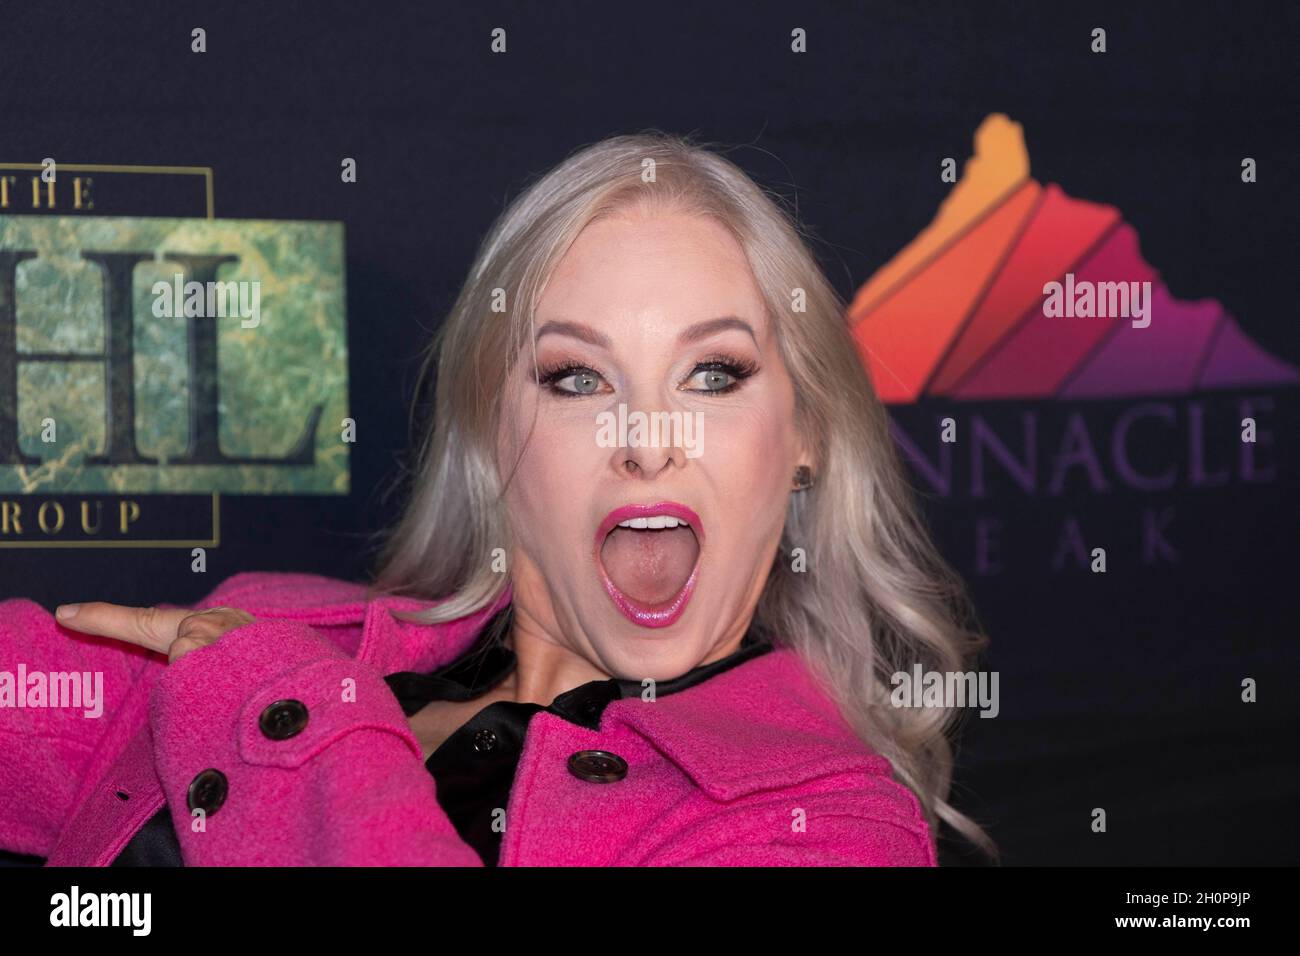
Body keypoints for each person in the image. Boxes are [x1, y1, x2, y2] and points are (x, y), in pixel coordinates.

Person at [0, 131, 994, 866]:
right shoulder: (266, 634)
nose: (648, 439)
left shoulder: (829, 822)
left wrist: (293, 716)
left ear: (805, 436)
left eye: (714, 373)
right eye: (575, 378)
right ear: (490, 435)